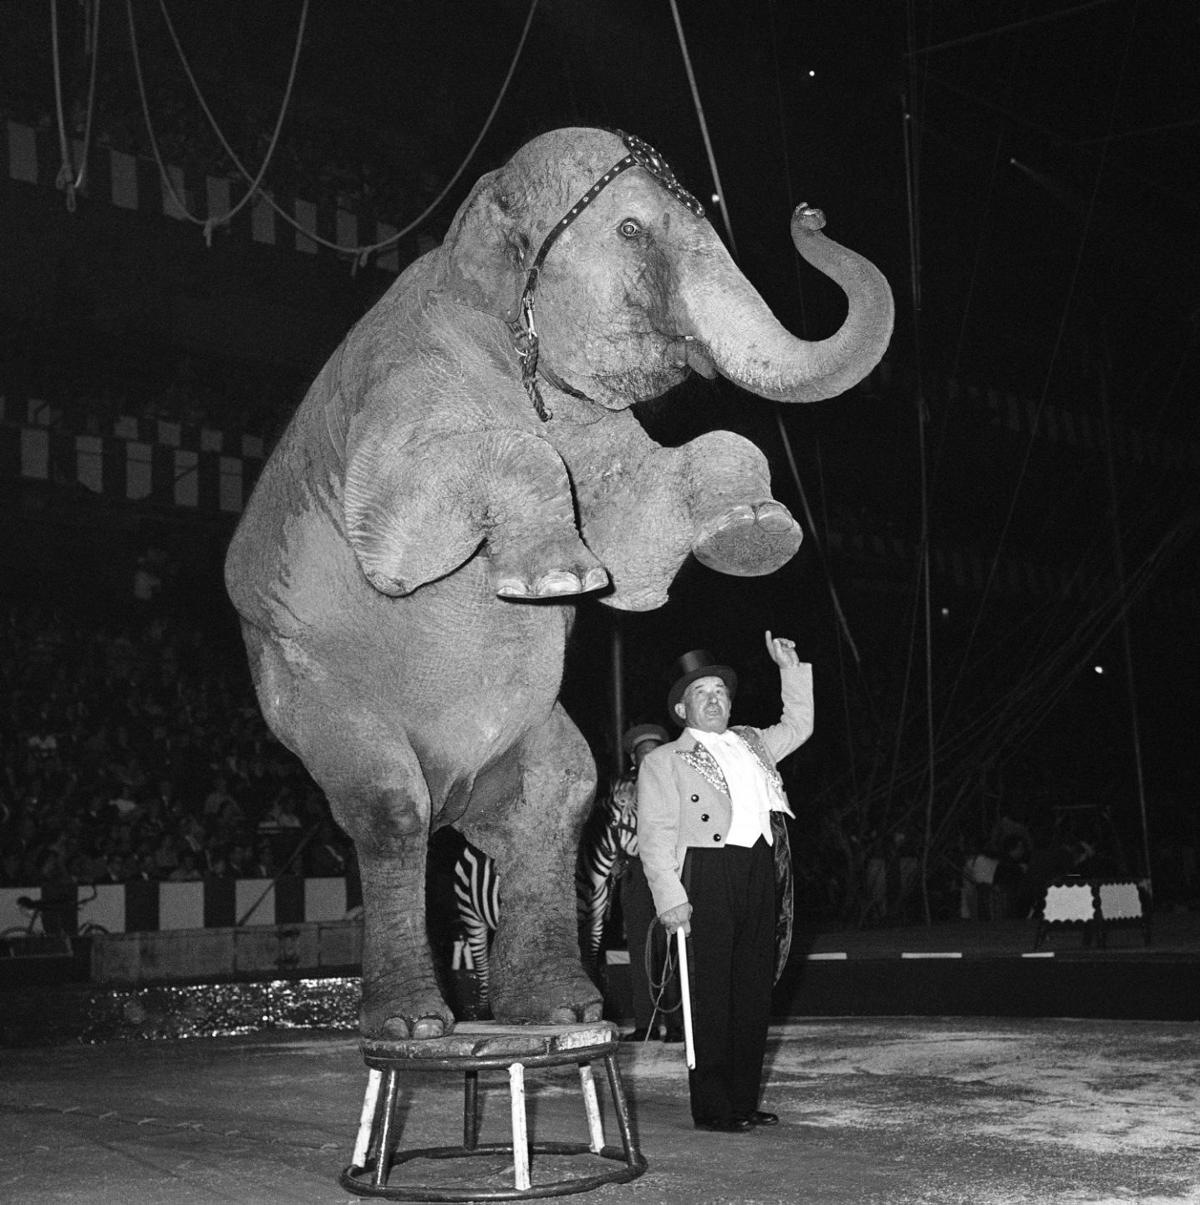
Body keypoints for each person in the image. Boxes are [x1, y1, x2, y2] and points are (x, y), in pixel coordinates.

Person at [637, 631, 812, 1134]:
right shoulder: (664, 760)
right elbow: (655, 836)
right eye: (700, 693)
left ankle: (742, 1098)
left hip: (760, 868)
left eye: (720, 692)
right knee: (709, 992)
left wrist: (790, 670)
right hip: (705, 872)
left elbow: (799, 723)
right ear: (681, 710)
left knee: (753, 988)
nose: (713, 699)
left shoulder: (754, 743)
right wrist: (670, 898)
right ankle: (713, 1105)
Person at [610, 722, 683, 1043]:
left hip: (671, 870)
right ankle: (646, 1024)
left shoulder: (677, 783)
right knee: (641, 949)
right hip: (637, 873)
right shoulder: (622, 789)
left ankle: (679, 1024)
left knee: (674, 947)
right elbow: (615, 831)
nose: (649, 758)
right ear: (633, 758)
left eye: (655, 752)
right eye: (643, 754)